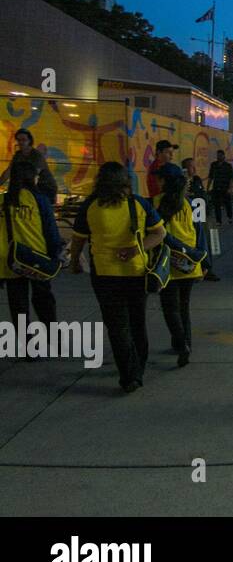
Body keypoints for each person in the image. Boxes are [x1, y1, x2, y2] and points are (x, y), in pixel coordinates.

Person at [68, 162, 166, 393]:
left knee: (117, 326)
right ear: (125, 180)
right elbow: (160, 233)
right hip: (136, 272)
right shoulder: (138, 203)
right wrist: (136, 249)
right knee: (137, 321)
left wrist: (74, 262)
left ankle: (129, 375)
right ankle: (138, 367)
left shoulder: (91, 206)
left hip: (104, 275)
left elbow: (78, 239)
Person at [1, 159, 64, 333]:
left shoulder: (3, 200)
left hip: (11, 260)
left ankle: (28, 343)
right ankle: (53, 337)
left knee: (18, 305)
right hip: (37, 258)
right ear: (31, 178)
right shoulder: (39, 199)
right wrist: (56, 255)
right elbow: (50, 230)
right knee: (44, 300)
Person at [154, 171, 204, 367]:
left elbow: (158, 232)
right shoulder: (189, 203)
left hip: (168, 261)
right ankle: (185, 342)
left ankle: (181, 343)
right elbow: (199, 232)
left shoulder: (157, 202)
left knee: (170, 307)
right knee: (184, 306)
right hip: (189, 262)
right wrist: (201, 260)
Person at [182, 157, 219, 282]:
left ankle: (208, 269)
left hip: (202, 214)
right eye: (191, 166)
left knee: (207, 242)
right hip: (191, 217)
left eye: (194, 166)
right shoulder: (183, 182)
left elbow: (202, 195)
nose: (194, 169)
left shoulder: (197, 180)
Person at [0, 127, 58, 203]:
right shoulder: (18, 155)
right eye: (18, 140)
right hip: (31, 187)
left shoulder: (36, 155)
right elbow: (8, 171)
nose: (20, 142)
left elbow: (34, 176)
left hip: (45, 187)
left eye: (23, 140)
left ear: (30, 140)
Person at [207, 150, 233, 225]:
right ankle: (218, 221)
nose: (218, 157)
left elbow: (231, 178)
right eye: (218, 155)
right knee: (217, 205)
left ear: (223, 156)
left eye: (220, 155)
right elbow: (210, 177)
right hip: (216, 187)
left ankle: (230, 217)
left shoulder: (228, 166)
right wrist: (208, 187)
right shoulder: (213, 165)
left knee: (227, 204)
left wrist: (230, 188)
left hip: (225, 188)